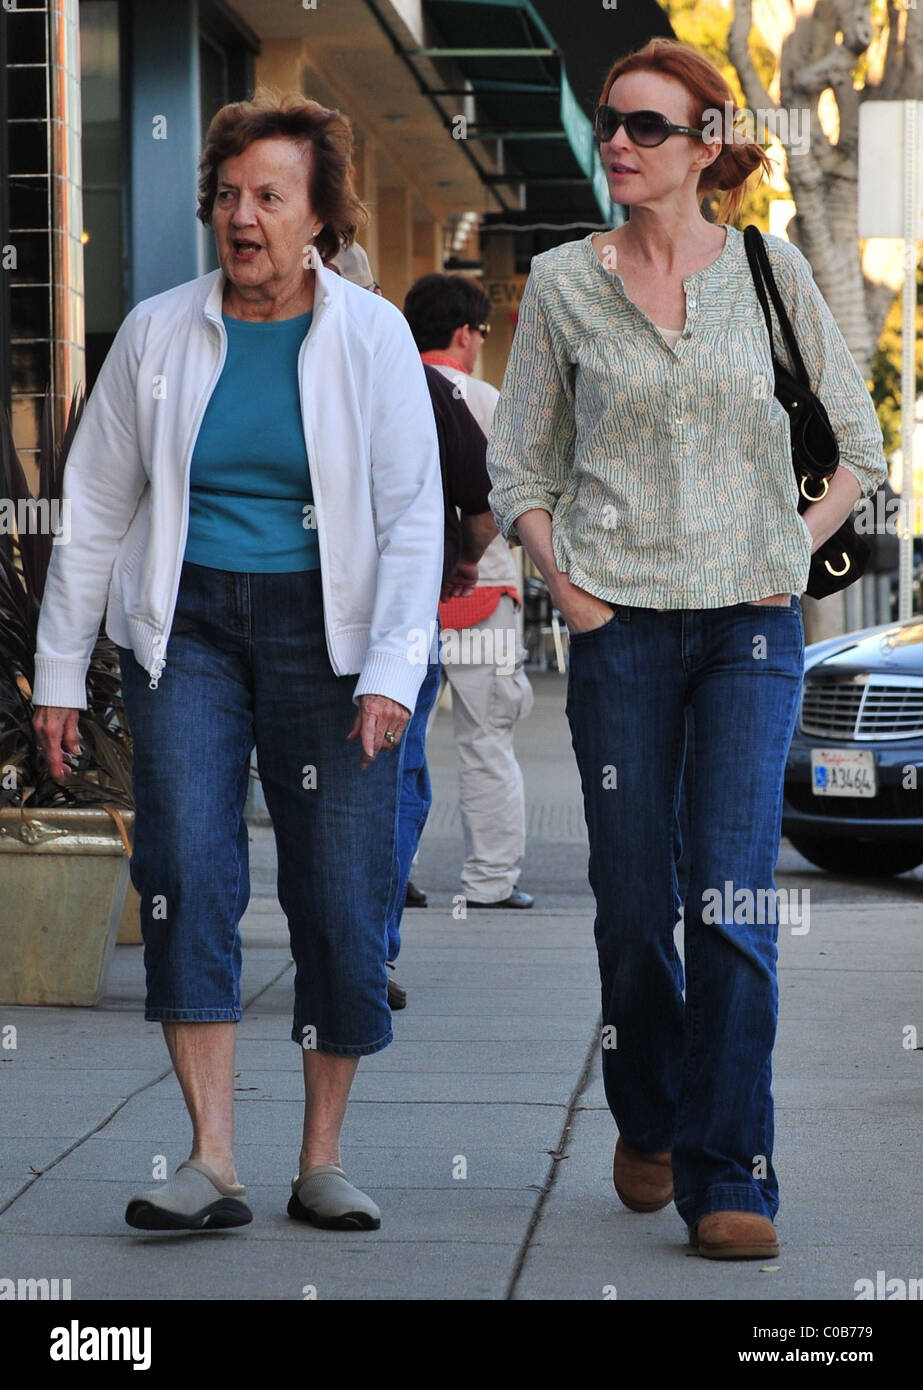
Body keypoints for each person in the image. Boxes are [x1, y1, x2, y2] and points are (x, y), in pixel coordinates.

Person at [486, 37, 887, 1260]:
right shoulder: (561, 282)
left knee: (731, 900)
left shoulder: (765, 271)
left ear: (705, 148)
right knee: (627, 902)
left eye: (646, 126)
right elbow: (519, 461)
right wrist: (566, 583)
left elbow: (859, 445)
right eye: (611, 121)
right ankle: (648, 1111)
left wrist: (788, 541)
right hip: (617, 629)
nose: (617, 140)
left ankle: (733, 1173)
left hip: (747, 631)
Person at [31, 90, 444, 1234]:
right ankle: (211, 1157)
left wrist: (390, 674)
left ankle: (321, 1156)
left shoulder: (368, 337)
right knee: (185, 864)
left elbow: (412, 518)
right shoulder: (161, 333)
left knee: (341, 891)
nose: (243, 216)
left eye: (270, 196)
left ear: (319, 216)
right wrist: (60, 674)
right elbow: (97, 508)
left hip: (334, 634)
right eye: (228, 195)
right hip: (189, 630)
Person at [404, 273, 535, 910]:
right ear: (465, 334)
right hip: (482, 602)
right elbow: (509, 501)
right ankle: (489, 881)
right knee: (486, 741)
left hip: (409, 603)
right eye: (481, 332)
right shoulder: (484, 399)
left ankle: (393, 869)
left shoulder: (395, 392)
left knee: (397, 741)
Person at [382, 361, 499, 989]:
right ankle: (367, 954)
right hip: (399, 618)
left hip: (284, 606)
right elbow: (484, 505)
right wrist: (465, 560)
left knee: (305, 788)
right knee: (397, 782)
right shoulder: (426, 386)